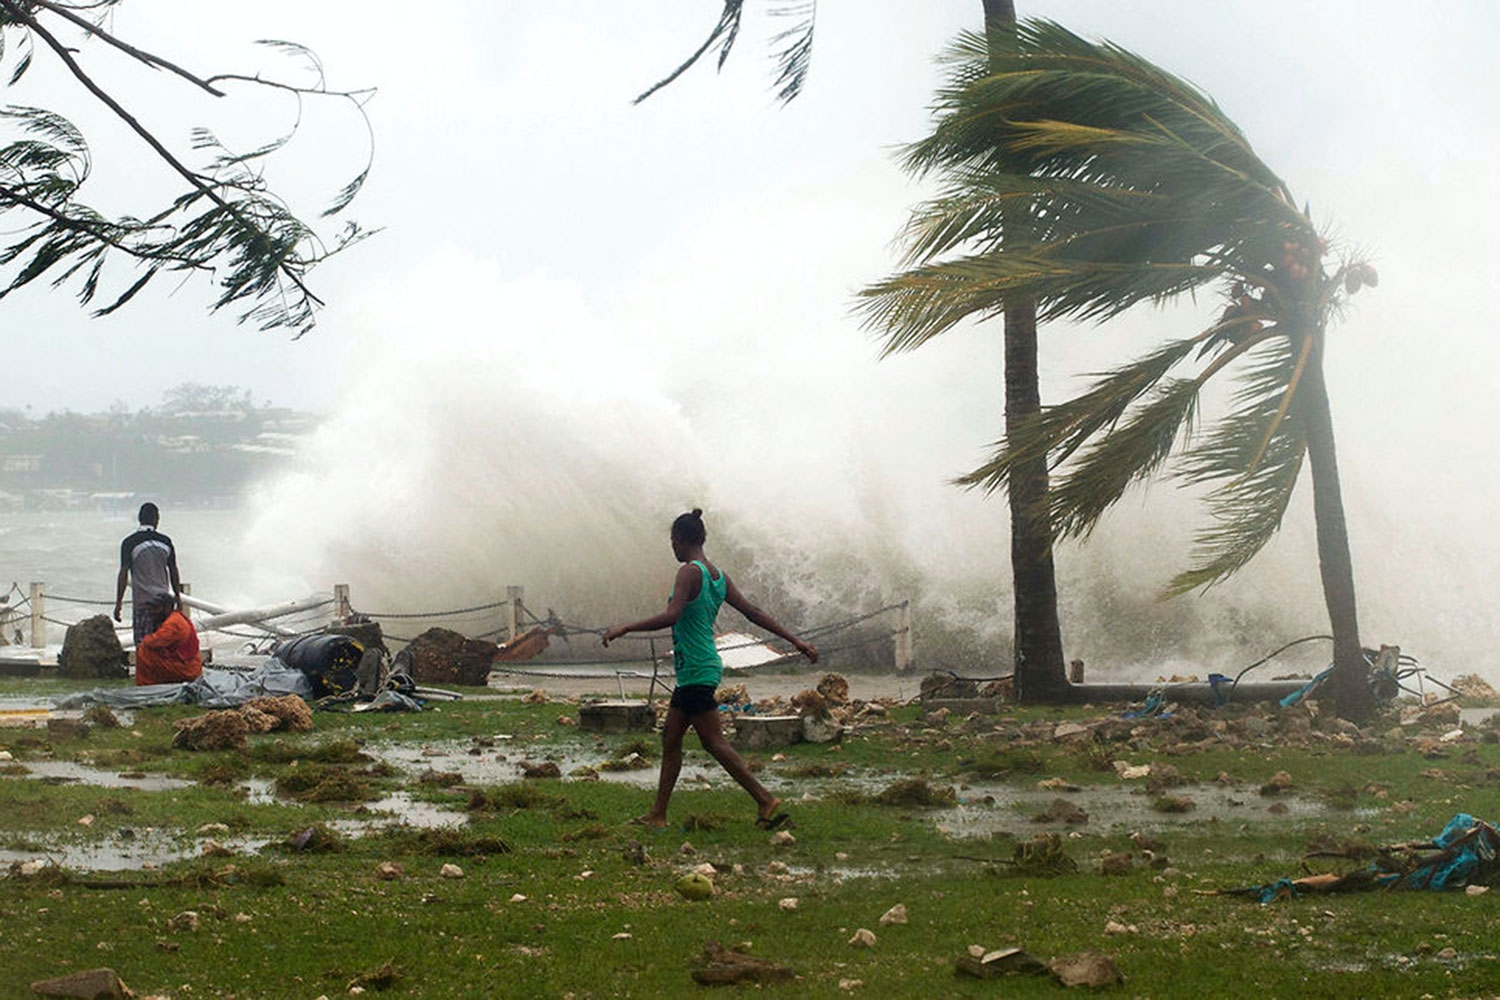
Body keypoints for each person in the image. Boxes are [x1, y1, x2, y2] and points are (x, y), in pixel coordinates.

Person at [602, 508, 817, 829]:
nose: (671, 548)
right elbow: (753, 612)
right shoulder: (718, 575)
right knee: (671, 738)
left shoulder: (689, 572)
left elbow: (673, 615)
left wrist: (626, 628)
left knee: (713, 741)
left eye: (672, 541)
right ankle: (658, 814)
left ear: (678, 540)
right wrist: (795, 641)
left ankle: (764, 798)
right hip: (696, 667)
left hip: (698, 667)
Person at [113, 501, 182, 646]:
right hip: (165, 604)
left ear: (139, 519)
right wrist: (178, 597)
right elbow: (173, 570)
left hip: (144, 604)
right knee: (165, 645)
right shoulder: (166, 541)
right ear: (157, 519)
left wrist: (118, 603)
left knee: (144, 646)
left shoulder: (129, 542)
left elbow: (123, 574)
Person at [133, 593, 203, 685]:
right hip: (190, 665)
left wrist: (145, 640)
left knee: (143, 651)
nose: (152, 612)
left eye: (156, 608)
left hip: (187, 670)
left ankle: (147, 684)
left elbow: (153, 641)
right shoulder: (177, 617)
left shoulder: (172, 624)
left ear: (167, 608)